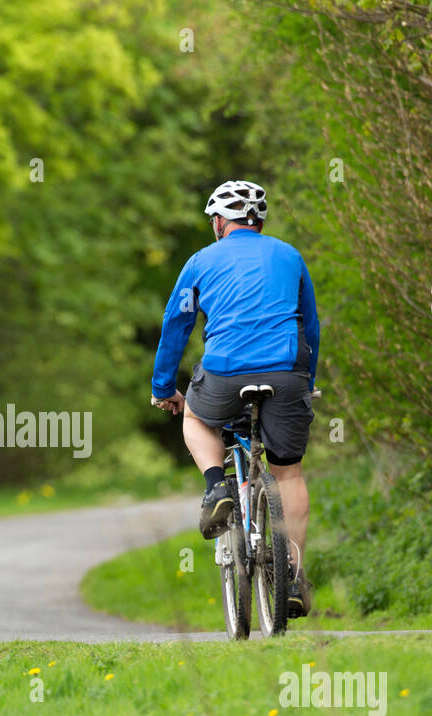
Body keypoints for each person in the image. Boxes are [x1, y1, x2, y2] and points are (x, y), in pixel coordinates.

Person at [150, 180, 319, 616]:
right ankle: (294, 576)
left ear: (221, 221)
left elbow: (176, 326)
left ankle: (216, 488)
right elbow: (310, 329)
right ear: (258, 221)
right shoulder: (290, 255)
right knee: (289, 474)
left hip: (224, 372)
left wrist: (164, 389)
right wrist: (304, 382)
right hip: (286, 374)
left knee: (196, 418)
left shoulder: (200, 261)